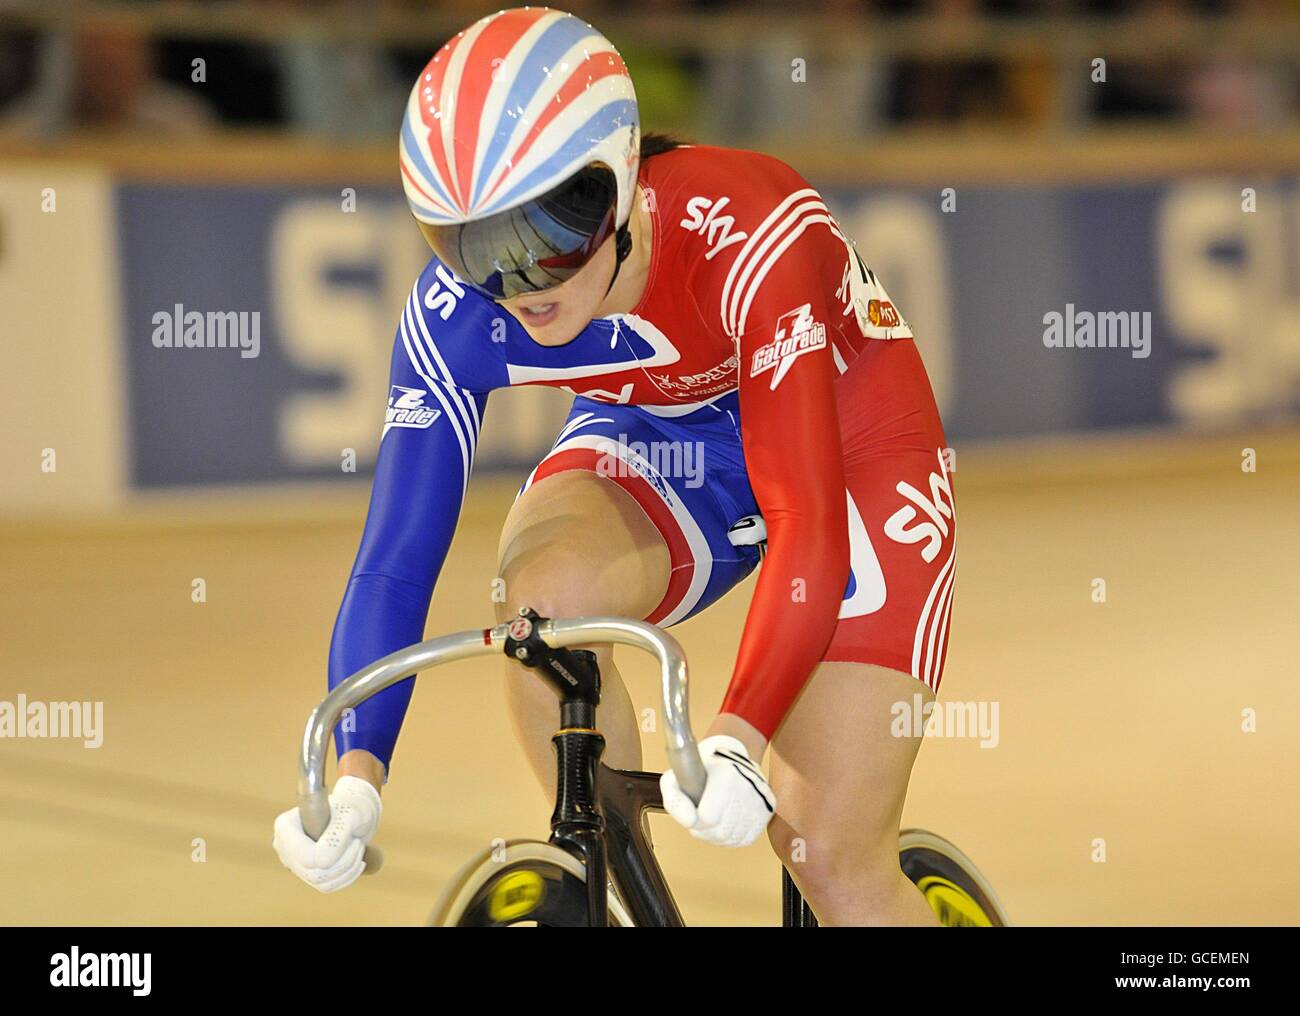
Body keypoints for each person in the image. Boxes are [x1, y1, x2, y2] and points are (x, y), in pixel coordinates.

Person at [275, 7, 954, 926]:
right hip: (659, 428)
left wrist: (742, 735)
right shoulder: (453, 316)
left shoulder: (751, 232)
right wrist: (355, 777)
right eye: (469, 245)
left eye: (548, 230)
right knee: (539, 612)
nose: (518, 285)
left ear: (620, 179)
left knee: (826, 850)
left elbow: (808, 521)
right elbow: (395, 562)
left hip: (845, 440)